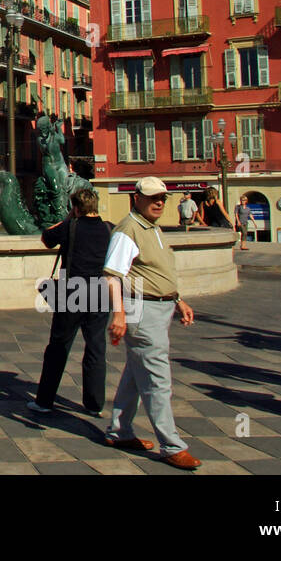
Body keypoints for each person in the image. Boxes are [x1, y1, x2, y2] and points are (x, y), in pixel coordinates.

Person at [101, 175, 200, 470]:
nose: (159, 202)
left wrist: (177, 299)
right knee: (158, 379)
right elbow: (112, 276)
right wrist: (119, 315)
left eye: (163, 198)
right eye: (153, 197)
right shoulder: (128, 229)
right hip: (141, 311)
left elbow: (157, 271)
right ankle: (171, 445)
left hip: (159, 307)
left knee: (135, 372)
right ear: (137, 198)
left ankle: (119, 432)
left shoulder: (151, 228)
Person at [29, 188, 114, 417]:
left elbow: (46, 238)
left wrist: (68, 219)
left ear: (75, 208)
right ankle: (94, 404)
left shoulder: (71, 225)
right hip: (101, 293)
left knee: (58, 347)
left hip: (72, 293)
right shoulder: (110, 229)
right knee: (96, 348)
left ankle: (45, 401)